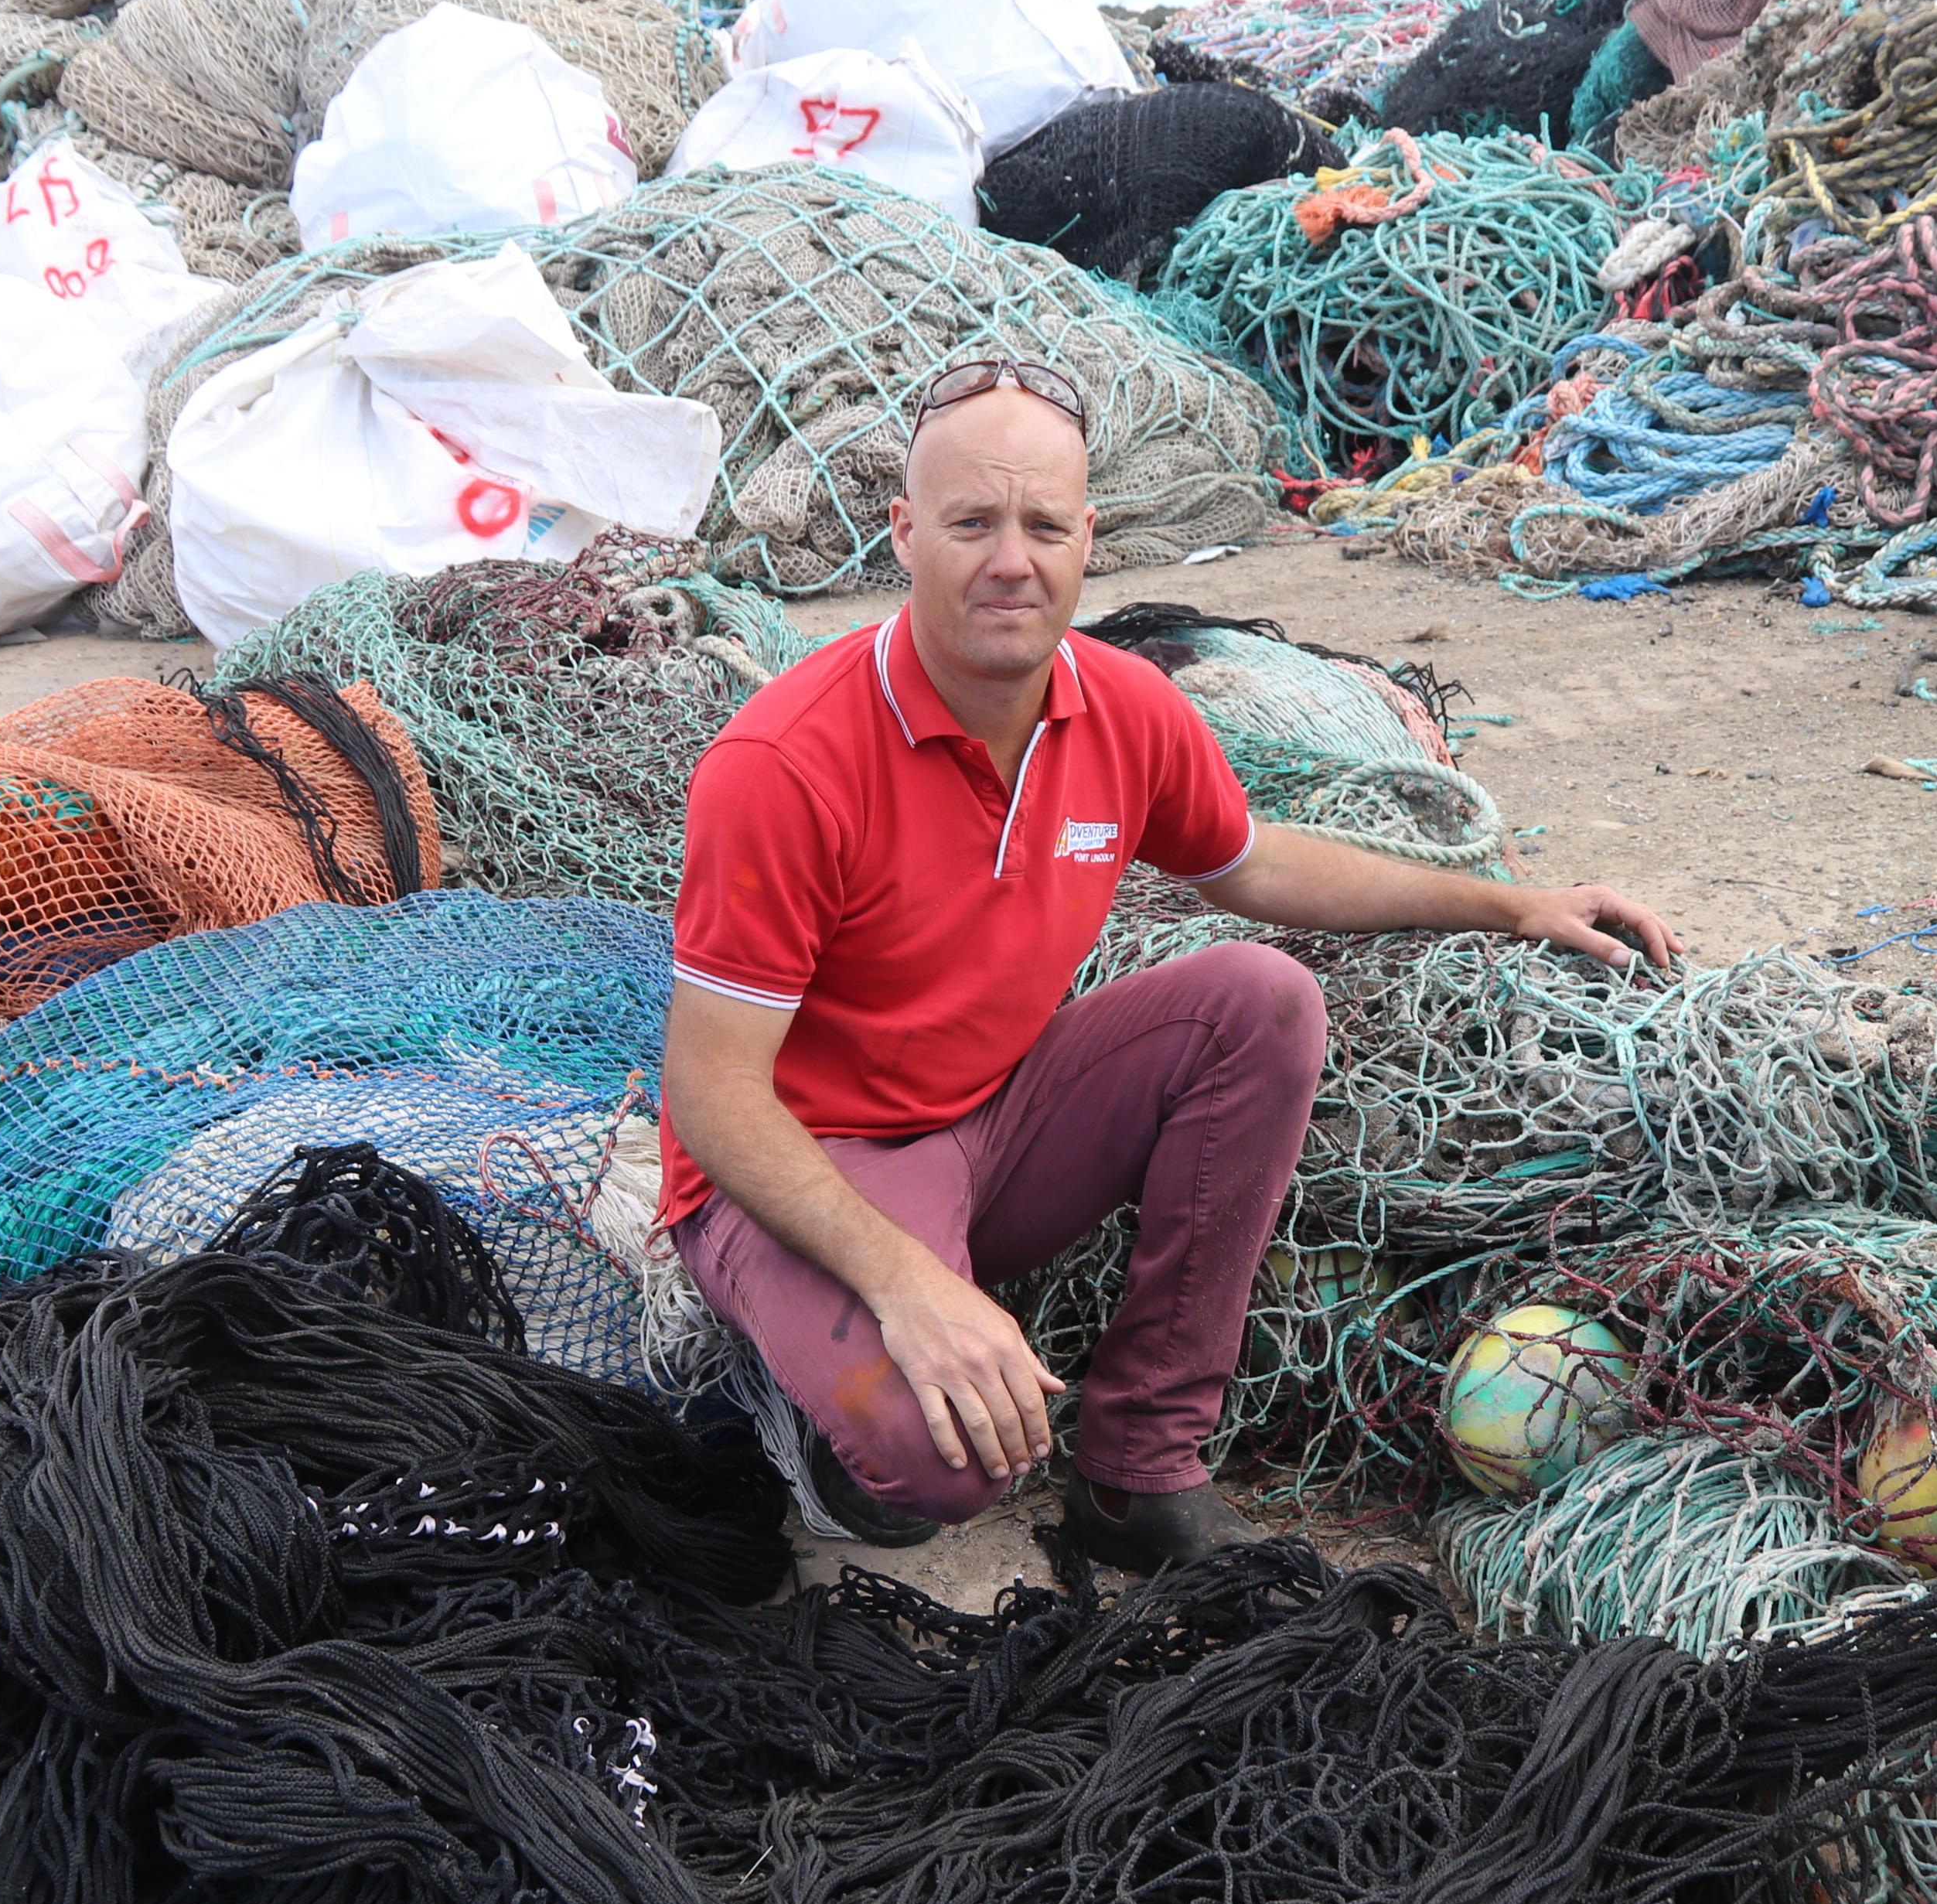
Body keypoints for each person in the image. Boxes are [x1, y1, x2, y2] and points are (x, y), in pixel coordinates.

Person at [660, 357, 1676, 1570]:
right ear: (904, 532)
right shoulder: (784, 761)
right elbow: (713, 1097)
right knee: (938, 1469)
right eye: (972, 523)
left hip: (989, 1121)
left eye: (1044, 525)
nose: (1011, 561)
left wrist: (1510, 903)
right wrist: (904, 1281)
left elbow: (1257, 868)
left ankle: (1139, 1469)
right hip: (799, 1161)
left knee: (1261, 1002)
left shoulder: (1125, 706)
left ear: (1090, 538)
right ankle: (797, 1391)